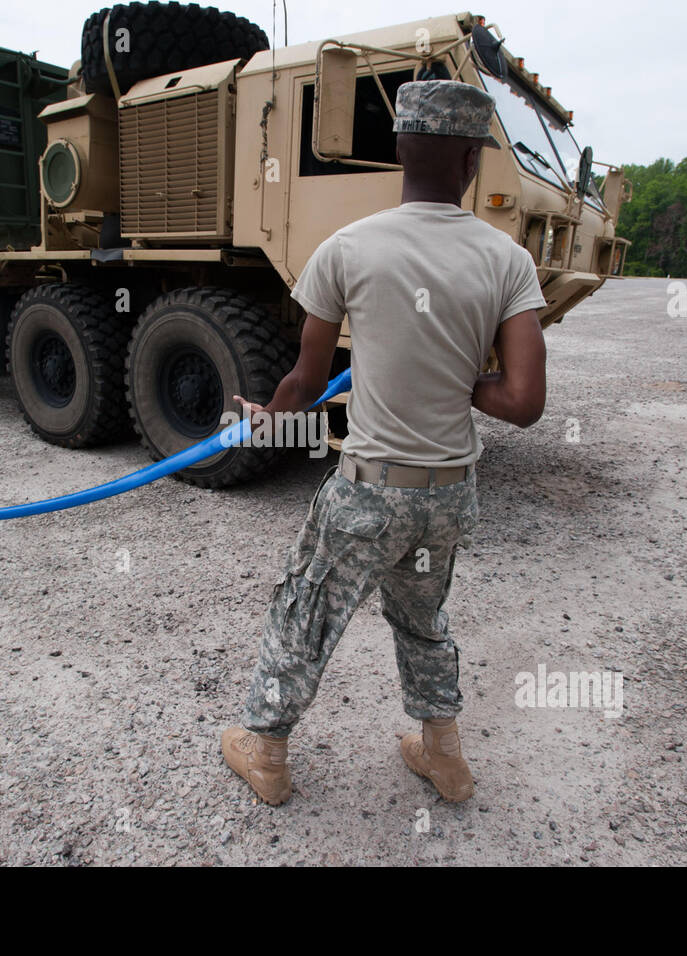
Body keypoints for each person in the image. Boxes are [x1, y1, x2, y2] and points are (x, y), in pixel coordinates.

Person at [222, 80, 548, 806]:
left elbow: (305, 381)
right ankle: (445, 757)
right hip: (450, 494)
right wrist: (461, 380)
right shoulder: (507, 262)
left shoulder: (347, 248)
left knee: (304, 611)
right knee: (424, 620)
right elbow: (523, 403)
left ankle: (266, 752)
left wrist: (264, 417)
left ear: (400, 149)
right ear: (472, 160)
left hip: (371, 492)